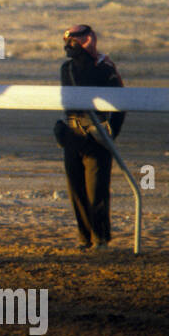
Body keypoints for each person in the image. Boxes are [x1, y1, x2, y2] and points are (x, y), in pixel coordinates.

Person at [52, 24, 125, 248]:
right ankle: (85, 238)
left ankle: (100, 238)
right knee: (76, 191)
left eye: (73, 42)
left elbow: (121, 104)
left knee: (97, 192)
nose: (68, 47)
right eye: (67, 42)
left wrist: (109, 134)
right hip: (73, 135)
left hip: (97, 135)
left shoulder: (104, 68)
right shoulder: (67, 69)